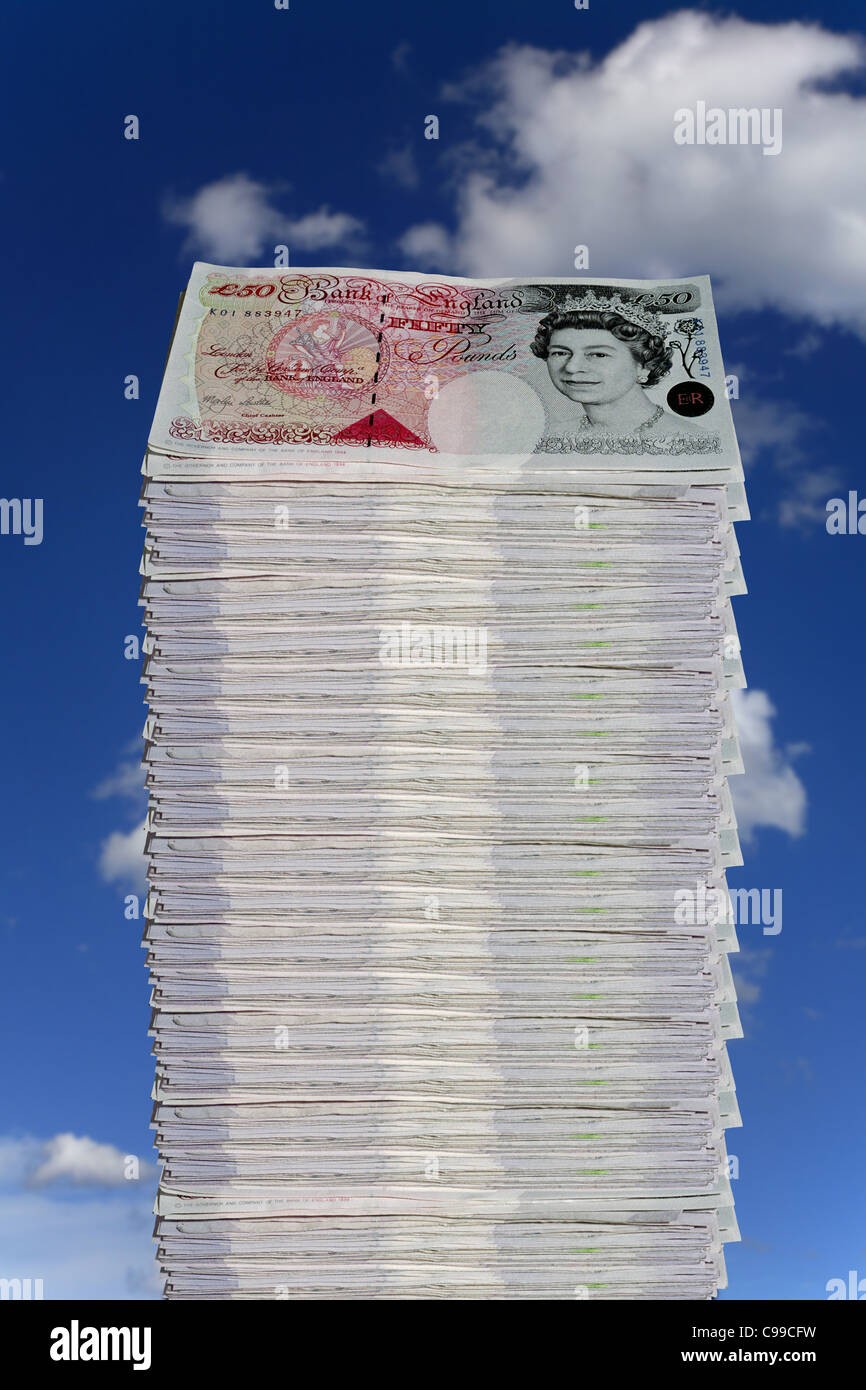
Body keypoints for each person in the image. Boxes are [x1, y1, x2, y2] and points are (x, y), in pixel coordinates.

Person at [530, 302, 712, 451]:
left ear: (645, 366)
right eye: (560, 353)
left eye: (599, 354)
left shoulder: (692, 439)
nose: (571, 367)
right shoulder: (549, 436)